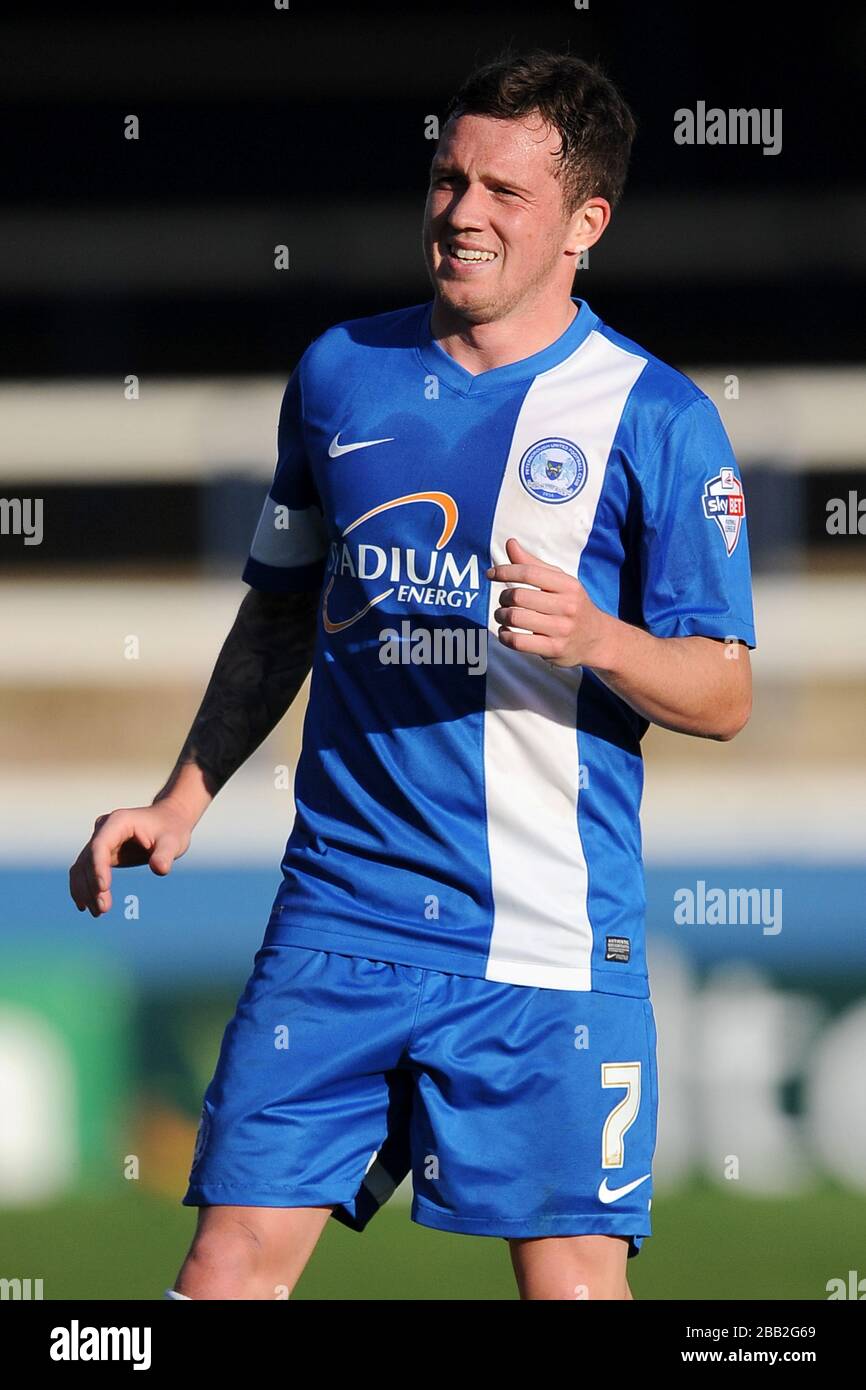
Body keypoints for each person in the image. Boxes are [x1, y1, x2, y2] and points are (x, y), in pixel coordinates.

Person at [69, 49, 755, 1301]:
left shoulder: (655, 418)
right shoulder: (340, 373)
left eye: (504, 190)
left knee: (572, 1290)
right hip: (340, 918)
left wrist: (598, 638)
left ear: (585, 223)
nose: (461, 211)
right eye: (447, 178)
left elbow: (722, 693)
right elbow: (277, 615)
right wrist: (180, 797)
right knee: (224, 1271)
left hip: (543, 938)